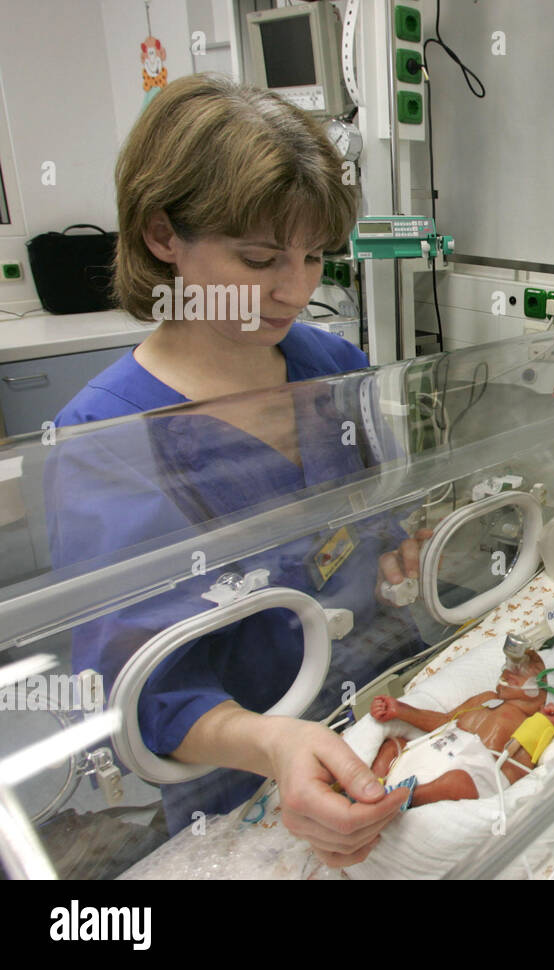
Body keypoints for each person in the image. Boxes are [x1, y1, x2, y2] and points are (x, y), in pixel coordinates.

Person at [46, 74, 421, 868]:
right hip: (243, 775)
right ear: (162, 236)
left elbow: (373, 518)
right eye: (259, 259)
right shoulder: (108, 434)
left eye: (315, 254)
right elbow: (135, 680)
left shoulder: (331, 366)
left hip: (385, 705)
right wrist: (270, 744)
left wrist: (402, 547)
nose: (297, 288)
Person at [367, 649, 554, 809]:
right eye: (509, 666)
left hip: (472, 773)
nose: (509, 671)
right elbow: (446, 721)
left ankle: (397, 799)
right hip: (436, 752)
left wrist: (547, 723)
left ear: (545, 692)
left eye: (525, 670)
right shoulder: (486, 698)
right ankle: (369, 789)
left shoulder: (534, 721)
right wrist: (401, 710)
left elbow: (517, 772)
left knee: (456, 783)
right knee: (393, 746)